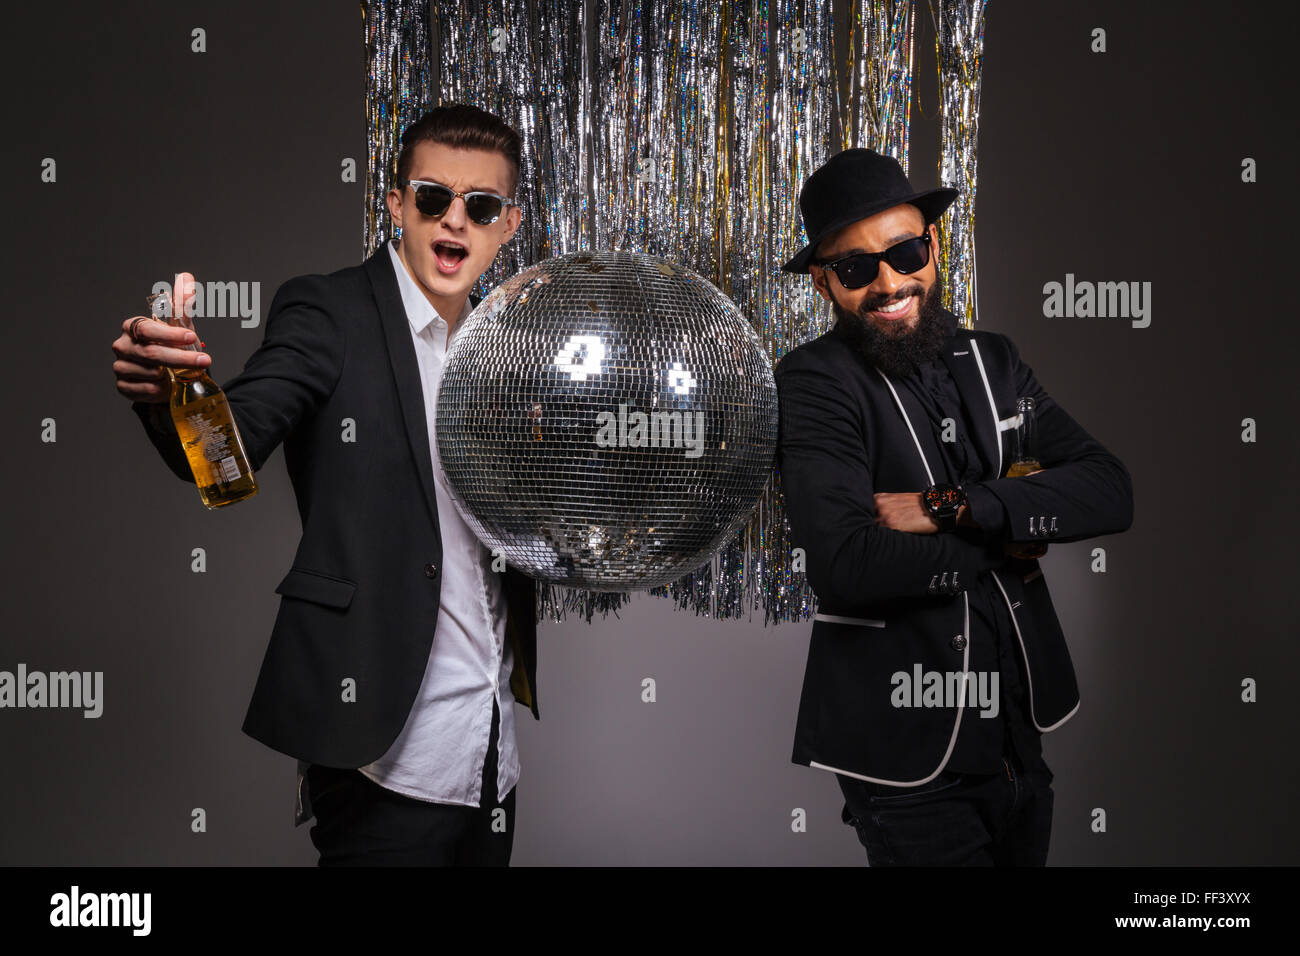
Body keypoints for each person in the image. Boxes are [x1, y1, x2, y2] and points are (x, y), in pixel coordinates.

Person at [110, 104, 538, 866]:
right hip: (382, 758)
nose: (454, 221)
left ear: (508, 226)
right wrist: (174, 391)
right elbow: (224, 460)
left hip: (490, 754)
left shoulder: (508, 350)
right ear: (396, 204)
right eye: (433, 197)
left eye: (480, 207)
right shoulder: (329, 312)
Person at [775, 148, 1134, 866]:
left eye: (905, 252)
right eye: (856, 268)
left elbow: (1108, 489)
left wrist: (950, 506)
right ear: (823, 281)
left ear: (932, 245)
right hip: (905, 755)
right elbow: (846, 564)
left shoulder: (995, 360)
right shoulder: (814, 381)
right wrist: (1009, 528)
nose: (889, 283)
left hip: (1019, 736)